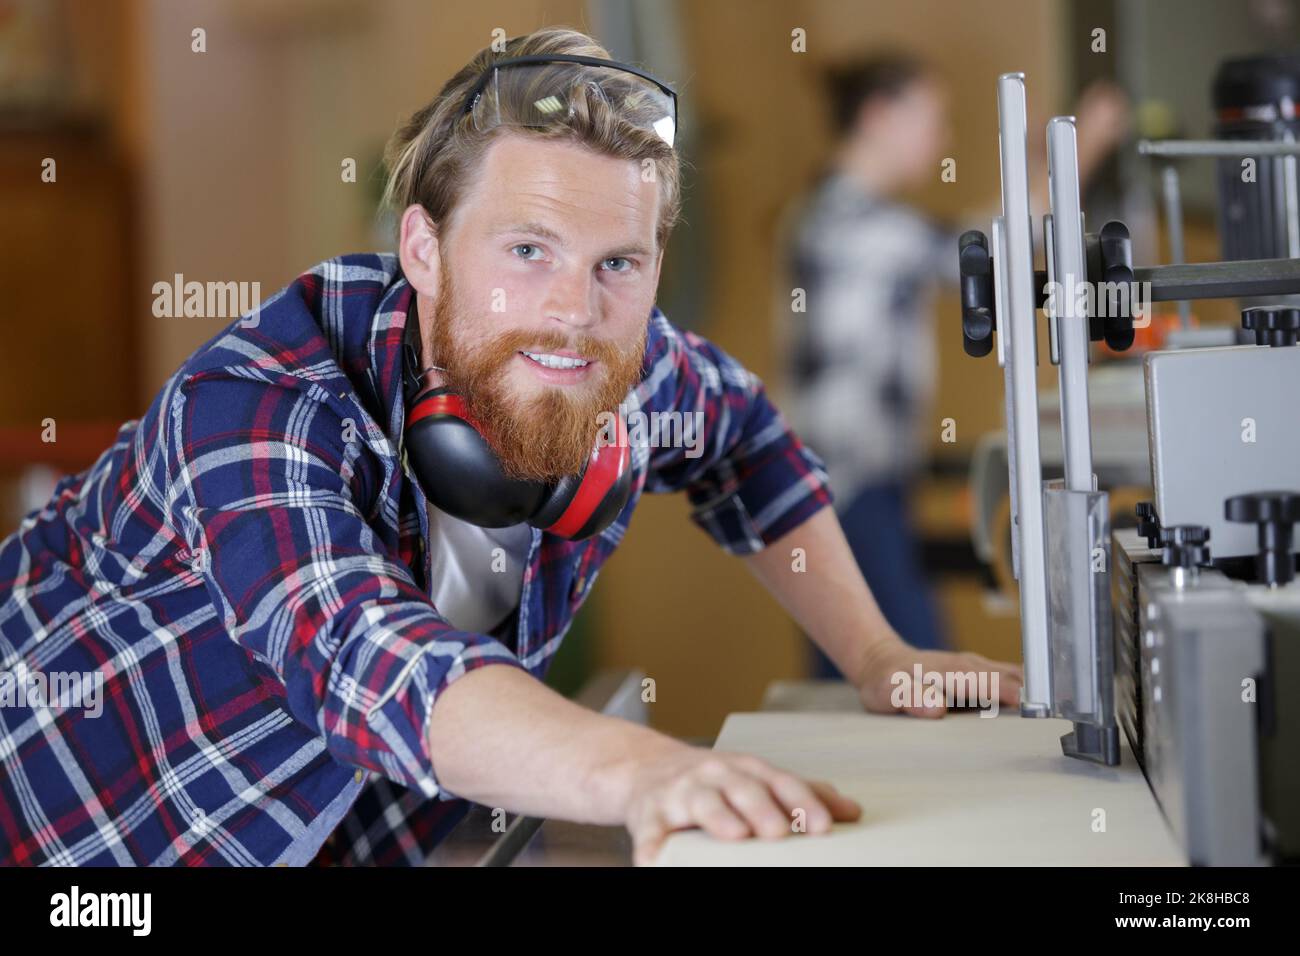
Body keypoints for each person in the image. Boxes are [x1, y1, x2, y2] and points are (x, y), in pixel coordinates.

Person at [0, 28, 1021, 868]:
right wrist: (640, 770)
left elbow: (745, 441)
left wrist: (878, 655)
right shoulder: (257, 404)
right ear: (422, 249)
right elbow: (360, 652)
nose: (574, 312)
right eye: (527, 250)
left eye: (618, 261)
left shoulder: (623, 360)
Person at [780, 53, 1129, 674]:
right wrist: (1079, 151)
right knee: (913, 673)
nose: (940, 138)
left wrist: (1042, 165)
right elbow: (981, 253)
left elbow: (974, 238)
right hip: (850, 493)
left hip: (850, 490)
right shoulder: (844, 222)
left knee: (865, 678)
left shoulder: (838, 215)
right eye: (931, 119)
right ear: (879, 114)